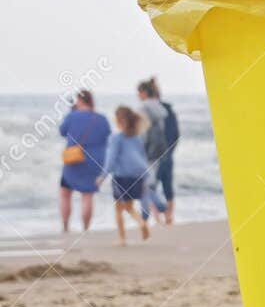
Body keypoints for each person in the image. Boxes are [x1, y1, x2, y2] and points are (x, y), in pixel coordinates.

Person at [58, 89, 111, 233]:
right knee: (87, 195)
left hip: (74, 160)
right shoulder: (102, 118)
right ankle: (85, 229)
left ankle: (65, 226)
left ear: (80, 101)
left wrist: (71, 112)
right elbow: (107, 137)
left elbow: (62, 131)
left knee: (65, 192)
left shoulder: (72, 116)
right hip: (95, 161)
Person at [105, 107, 153, 245]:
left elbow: (112, 159)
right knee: (129, 207)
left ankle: (122, 239)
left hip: (121, 177)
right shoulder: (137, 138)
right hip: (137, 176)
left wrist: (103, 175)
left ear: (119, 120)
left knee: (119, 209)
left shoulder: (116, 138)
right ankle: (141, 222)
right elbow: (143, 157)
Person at [140, 79, 177, 223]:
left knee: (152, 185)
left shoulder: (145, 109)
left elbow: (143, 135)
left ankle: (158, 219)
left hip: (152, 154)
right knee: (167, 186)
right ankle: (167, 217)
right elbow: (175, 134)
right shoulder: (167, 110)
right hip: (165, 153)